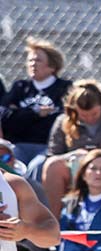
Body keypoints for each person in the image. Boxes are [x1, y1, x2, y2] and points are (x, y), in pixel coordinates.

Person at [40, 80, 101, 219]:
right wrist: (74, 154)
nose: (89, 119)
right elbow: (53, 155)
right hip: (75, 169)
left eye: (94, 114)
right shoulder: (63, 122)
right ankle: (54, 223)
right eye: (83, 115)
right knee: (52, 165)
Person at [0, 37, 72, 173]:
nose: (33, 64)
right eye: (30, 60)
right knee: (9, 163)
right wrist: (36, 113)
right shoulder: (20, 87)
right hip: (19, 145)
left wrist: (19, 115)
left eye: (38, 60)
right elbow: (4, 118)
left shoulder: (64, 89)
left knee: (36, 167)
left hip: (47, 146)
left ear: (52, 66)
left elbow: (60, 120)